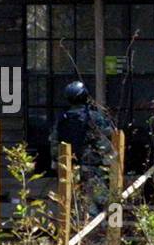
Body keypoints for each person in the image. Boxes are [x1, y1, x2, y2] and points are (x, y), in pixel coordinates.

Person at [49, 80, 117, 215]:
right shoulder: (94, 117)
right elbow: (108, 136)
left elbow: (55, 144)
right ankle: (103, 232)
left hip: (70, 168)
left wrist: (56, 162)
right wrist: (111, 159)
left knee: (76, 205)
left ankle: (81, 231)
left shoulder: (63, 119)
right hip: (93, 168)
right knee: (104, 203)